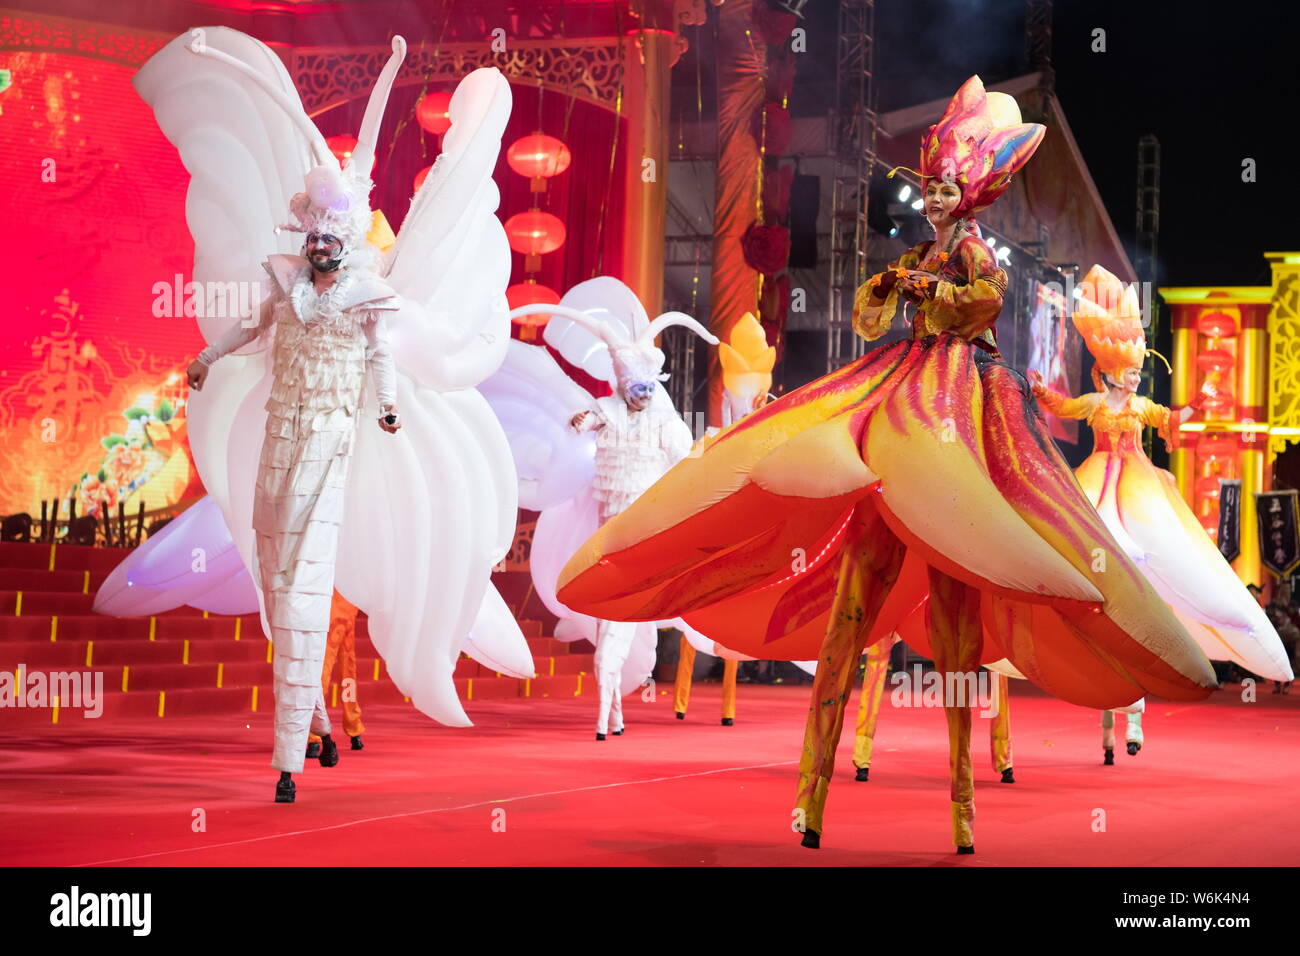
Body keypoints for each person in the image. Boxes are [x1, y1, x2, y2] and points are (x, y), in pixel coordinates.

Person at [555, 76, 1216, 854]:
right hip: (902, 411)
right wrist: (897, 282)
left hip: (957, 431)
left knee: (956, 632)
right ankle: (814, 794)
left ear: (975, 187)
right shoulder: (928, 250)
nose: (933, 197)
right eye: (929, 183)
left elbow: (983, 305)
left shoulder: (971, 253)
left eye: (946, 184)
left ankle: (963, 803)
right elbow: (874, 313)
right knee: (850, 622)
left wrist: (928, 289)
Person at [1031, 265, 1294, 744]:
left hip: (1135, 483)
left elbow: (1174, 416)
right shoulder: (1093, 403)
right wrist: (1037, 390)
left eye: (1137, 373)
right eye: (1129, 373)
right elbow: (1061, 407)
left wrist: (1199, 399)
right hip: (1097, 477)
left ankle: (1140, 697)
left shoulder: (1140, 408)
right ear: (1110, 372)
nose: (1134, 379)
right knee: (1073, 536)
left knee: (1149, 544)